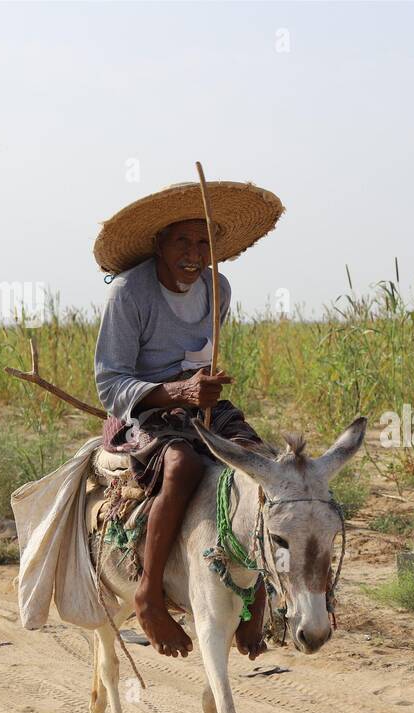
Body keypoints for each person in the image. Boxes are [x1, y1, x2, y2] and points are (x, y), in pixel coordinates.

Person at [91, 180, 285, 660]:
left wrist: (202, 386)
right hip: (145, 408)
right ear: (159, 244)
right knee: (182, 467)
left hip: (200, 403)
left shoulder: (218, 288)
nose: (194, 254)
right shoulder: (129, 295)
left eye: (203, 243)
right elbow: (110, 384)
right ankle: (149, 595)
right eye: (182, 242)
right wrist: (176, 390)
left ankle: (254, 592)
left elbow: (197, 358)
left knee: (262, 465)